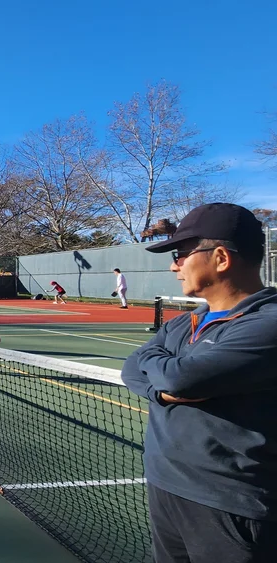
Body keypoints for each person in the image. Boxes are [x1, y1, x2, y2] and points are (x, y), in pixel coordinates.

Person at [120, 202, 277, 562]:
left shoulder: (268, 324)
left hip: (233, 505)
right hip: (166, 487)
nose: (174, 266)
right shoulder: (183, 322)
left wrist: (165, 376)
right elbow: (132, 367)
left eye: (180, 255)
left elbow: (181, 378)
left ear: (220, 258)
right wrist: (162, 391)